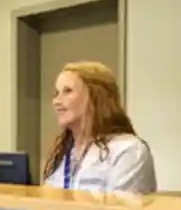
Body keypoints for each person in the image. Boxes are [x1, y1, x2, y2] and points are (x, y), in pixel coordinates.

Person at [42, 61, 157, 195]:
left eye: (67, 91)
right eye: (56, 93)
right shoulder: (62, 154)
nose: (57, 101)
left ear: (95, 96)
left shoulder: (128, 150)